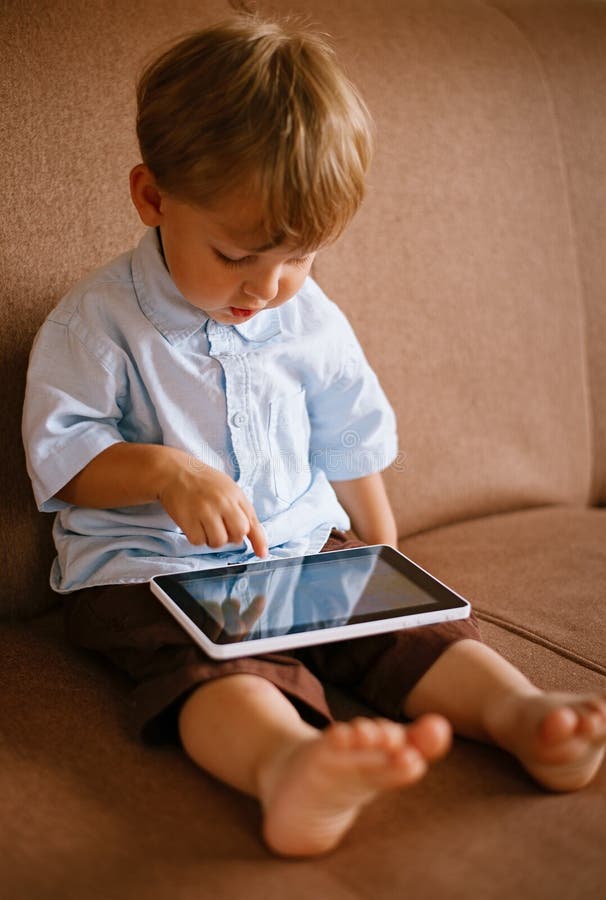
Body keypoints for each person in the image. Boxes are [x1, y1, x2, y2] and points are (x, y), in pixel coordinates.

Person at [22, 13, 605, 859]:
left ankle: (523, 714)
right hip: (149, 571)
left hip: (301, 550)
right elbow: (63, 457)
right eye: (235, 256)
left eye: (299, 259)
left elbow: (348, 432)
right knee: (216, 669)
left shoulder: (309, 317)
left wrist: (381, 551)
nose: (267, 289)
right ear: (153, 198)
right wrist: (165, 472)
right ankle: (287, 764)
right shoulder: (96, 324)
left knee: (415, 628)